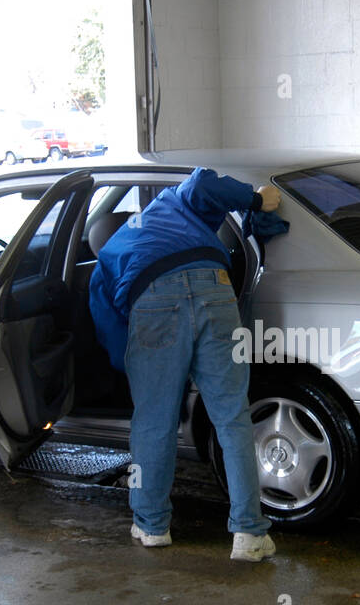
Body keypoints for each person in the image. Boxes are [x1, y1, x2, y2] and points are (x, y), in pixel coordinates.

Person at [89, 168, 279, 563]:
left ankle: (153, 526)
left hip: (154, 298)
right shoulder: (175, 200)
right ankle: (248, 533)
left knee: (154, 421)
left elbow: (108, 323)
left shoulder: (111, 253)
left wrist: (135, 369)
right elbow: (205, 182)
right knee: (232, 418)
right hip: (215, 287)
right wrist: (257, 199)